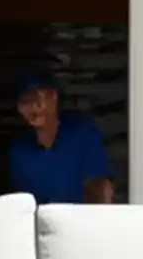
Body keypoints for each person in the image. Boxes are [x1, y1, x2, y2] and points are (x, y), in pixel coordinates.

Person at [9, 66, 114, 204]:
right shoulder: (20, 152)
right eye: (25, 102)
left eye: (39, 99)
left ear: (54, 96)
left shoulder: (83, 133)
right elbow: (24, 205)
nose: (34, 108)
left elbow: (101, 189)